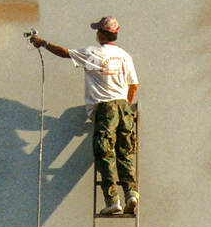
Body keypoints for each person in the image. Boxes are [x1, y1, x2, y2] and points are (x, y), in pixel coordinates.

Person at [30, 17, 139, 216]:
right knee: (124, 152)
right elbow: (134, 85)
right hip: (124, 108)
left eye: (98, 30)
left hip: (106, 109)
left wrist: (43, 43)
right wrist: (125, 105)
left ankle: (113, 200)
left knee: (105, 153)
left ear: (103, 34)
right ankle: (131, 193)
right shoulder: (125, 56)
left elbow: (65, 53)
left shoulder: (93, 53)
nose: (96, 32)